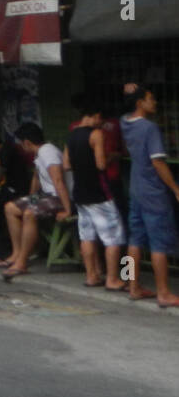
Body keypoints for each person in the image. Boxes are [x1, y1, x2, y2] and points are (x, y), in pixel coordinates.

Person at [120, 85, 179, 307]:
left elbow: (126, 108)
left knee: (134, 240)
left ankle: (132, 285)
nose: (154, 102)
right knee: (159, 244)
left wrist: (129, 89)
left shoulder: (125, 122)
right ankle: (163, 292)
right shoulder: (150, 128)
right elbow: (158, 162)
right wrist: (175, 187)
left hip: (136, 188)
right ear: (140, 103)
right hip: (153, 191)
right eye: (150, 98)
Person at [65, 96, 126, 289]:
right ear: (96, 116)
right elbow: (100, 163)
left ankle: (91, 276)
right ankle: (113, 279)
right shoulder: (96, 134)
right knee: (113, 237)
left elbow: (66, 164)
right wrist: (113, 156)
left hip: (80, 193)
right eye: (101, 118)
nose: (102, 122)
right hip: (99, 192)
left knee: (87, 236)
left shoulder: (72, 134)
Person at [0, 122, 72, 280]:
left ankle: (22, 262)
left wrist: (67, 209)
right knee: (10, 208)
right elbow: (36, 178)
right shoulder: (39, 153)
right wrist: (30, 198)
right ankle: (16, 253)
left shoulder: (48, 152)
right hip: (45, 195)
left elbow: (58, 181)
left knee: (29, 213)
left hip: (58, 197)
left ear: (27, 142)